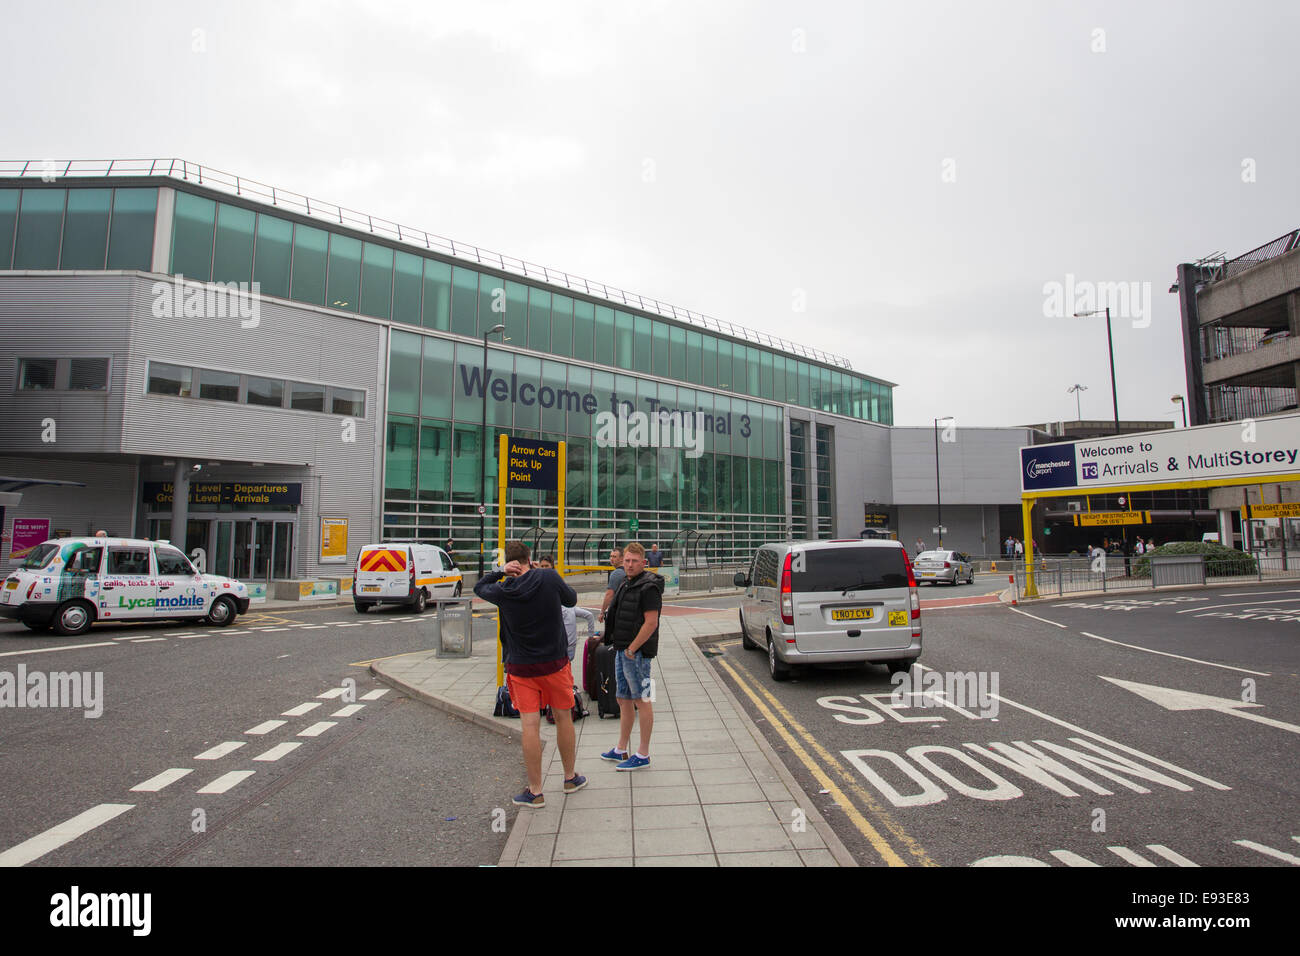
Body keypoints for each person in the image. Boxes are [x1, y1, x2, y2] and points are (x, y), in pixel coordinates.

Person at [473, 540, 586, 808]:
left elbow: (478, 587)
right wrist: (539, 571)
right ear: (529, 558)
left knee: (530, 725)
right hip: (555, 663)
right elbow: (571, 599)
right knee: (563, 717)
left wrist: (500, 571)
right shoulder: (547, 577)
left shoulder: (503, 589)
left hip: (521, 666)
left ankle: (535, 791)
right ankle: (570, 778)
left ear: (510, 562)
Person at [600, 542, 663, 771]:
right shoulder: (626, 584)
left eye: (634, 561)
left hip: (638, 656)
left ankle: (643, 753)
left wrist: (632, 649)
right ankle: (621, 749)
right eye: (626, 560)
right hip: (622, 650)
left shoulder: (649, 587)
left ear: (643, 563)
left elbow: (651, 622)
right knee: (623, 700)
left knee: (643, 701)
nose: (629, 564)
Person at [535, 555, 598, 723]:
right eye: (541, 566)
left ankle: (564, 704)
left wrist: (591, 635)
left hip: (563, 644)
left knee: (561, 674)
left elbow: (583, 612)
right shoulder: (536, 588)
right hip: (547, 644)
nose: (544, 569)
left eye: (547, 566)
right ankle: (559, 703)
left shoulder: (558, 591)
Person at [598, 547, 626, 625]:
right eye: (611, 556)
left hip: (618, 611)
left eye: (614, 557)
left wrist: (602, 612)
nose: (611, 559)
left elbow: (609, 594)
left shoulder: (616, 573)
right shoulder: (628, 571)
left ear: (621, 558)